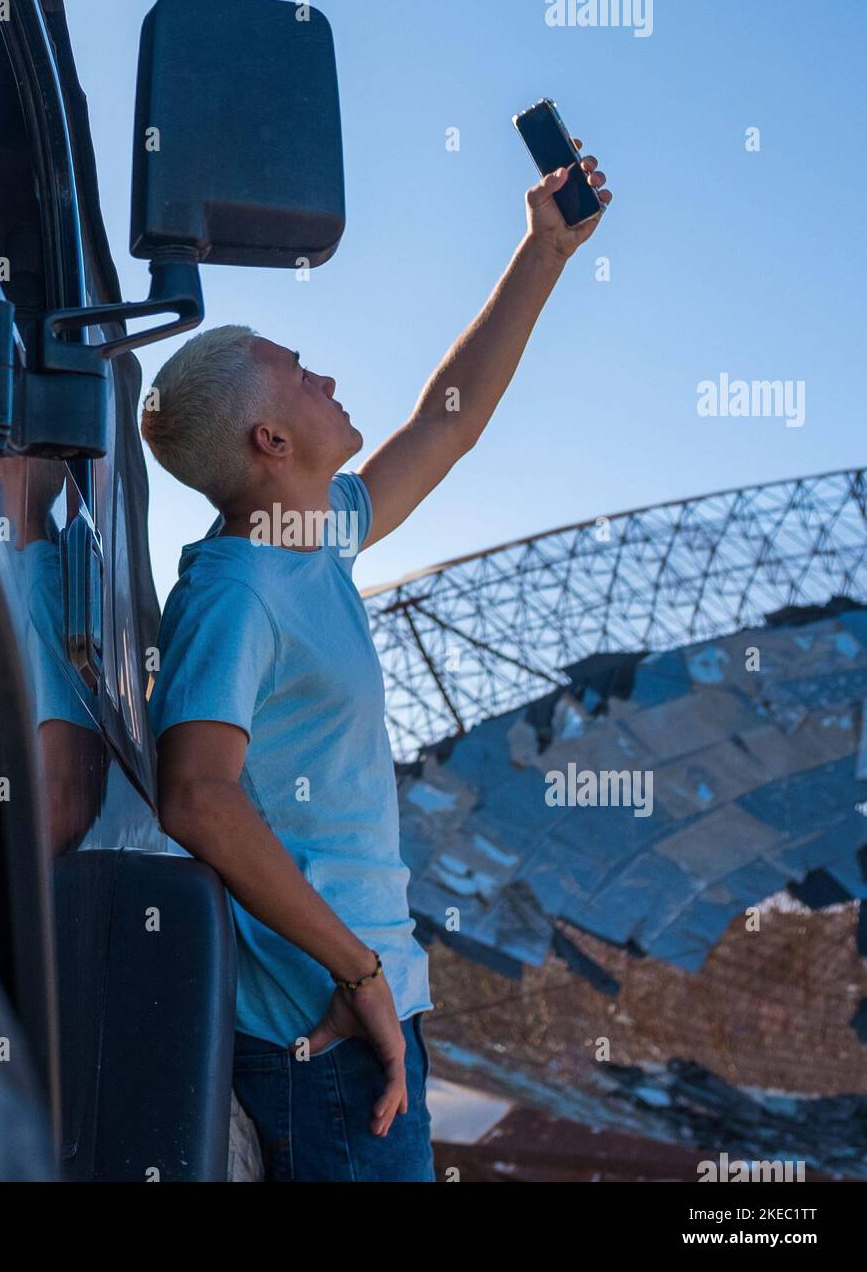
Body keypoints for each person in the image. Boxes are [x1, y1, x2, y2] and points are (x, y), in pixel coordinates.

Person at [141, 148, 611, 1181]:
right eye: (303, 374)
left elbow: (448, 425)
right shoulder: (237, 594)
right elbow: (196, 797)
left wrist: (543, 250)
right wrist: (354, 973)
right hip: (328, 1038)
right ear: (270, 437)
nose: (330, 377)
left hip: (361, 1017)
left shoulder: (314, 541)